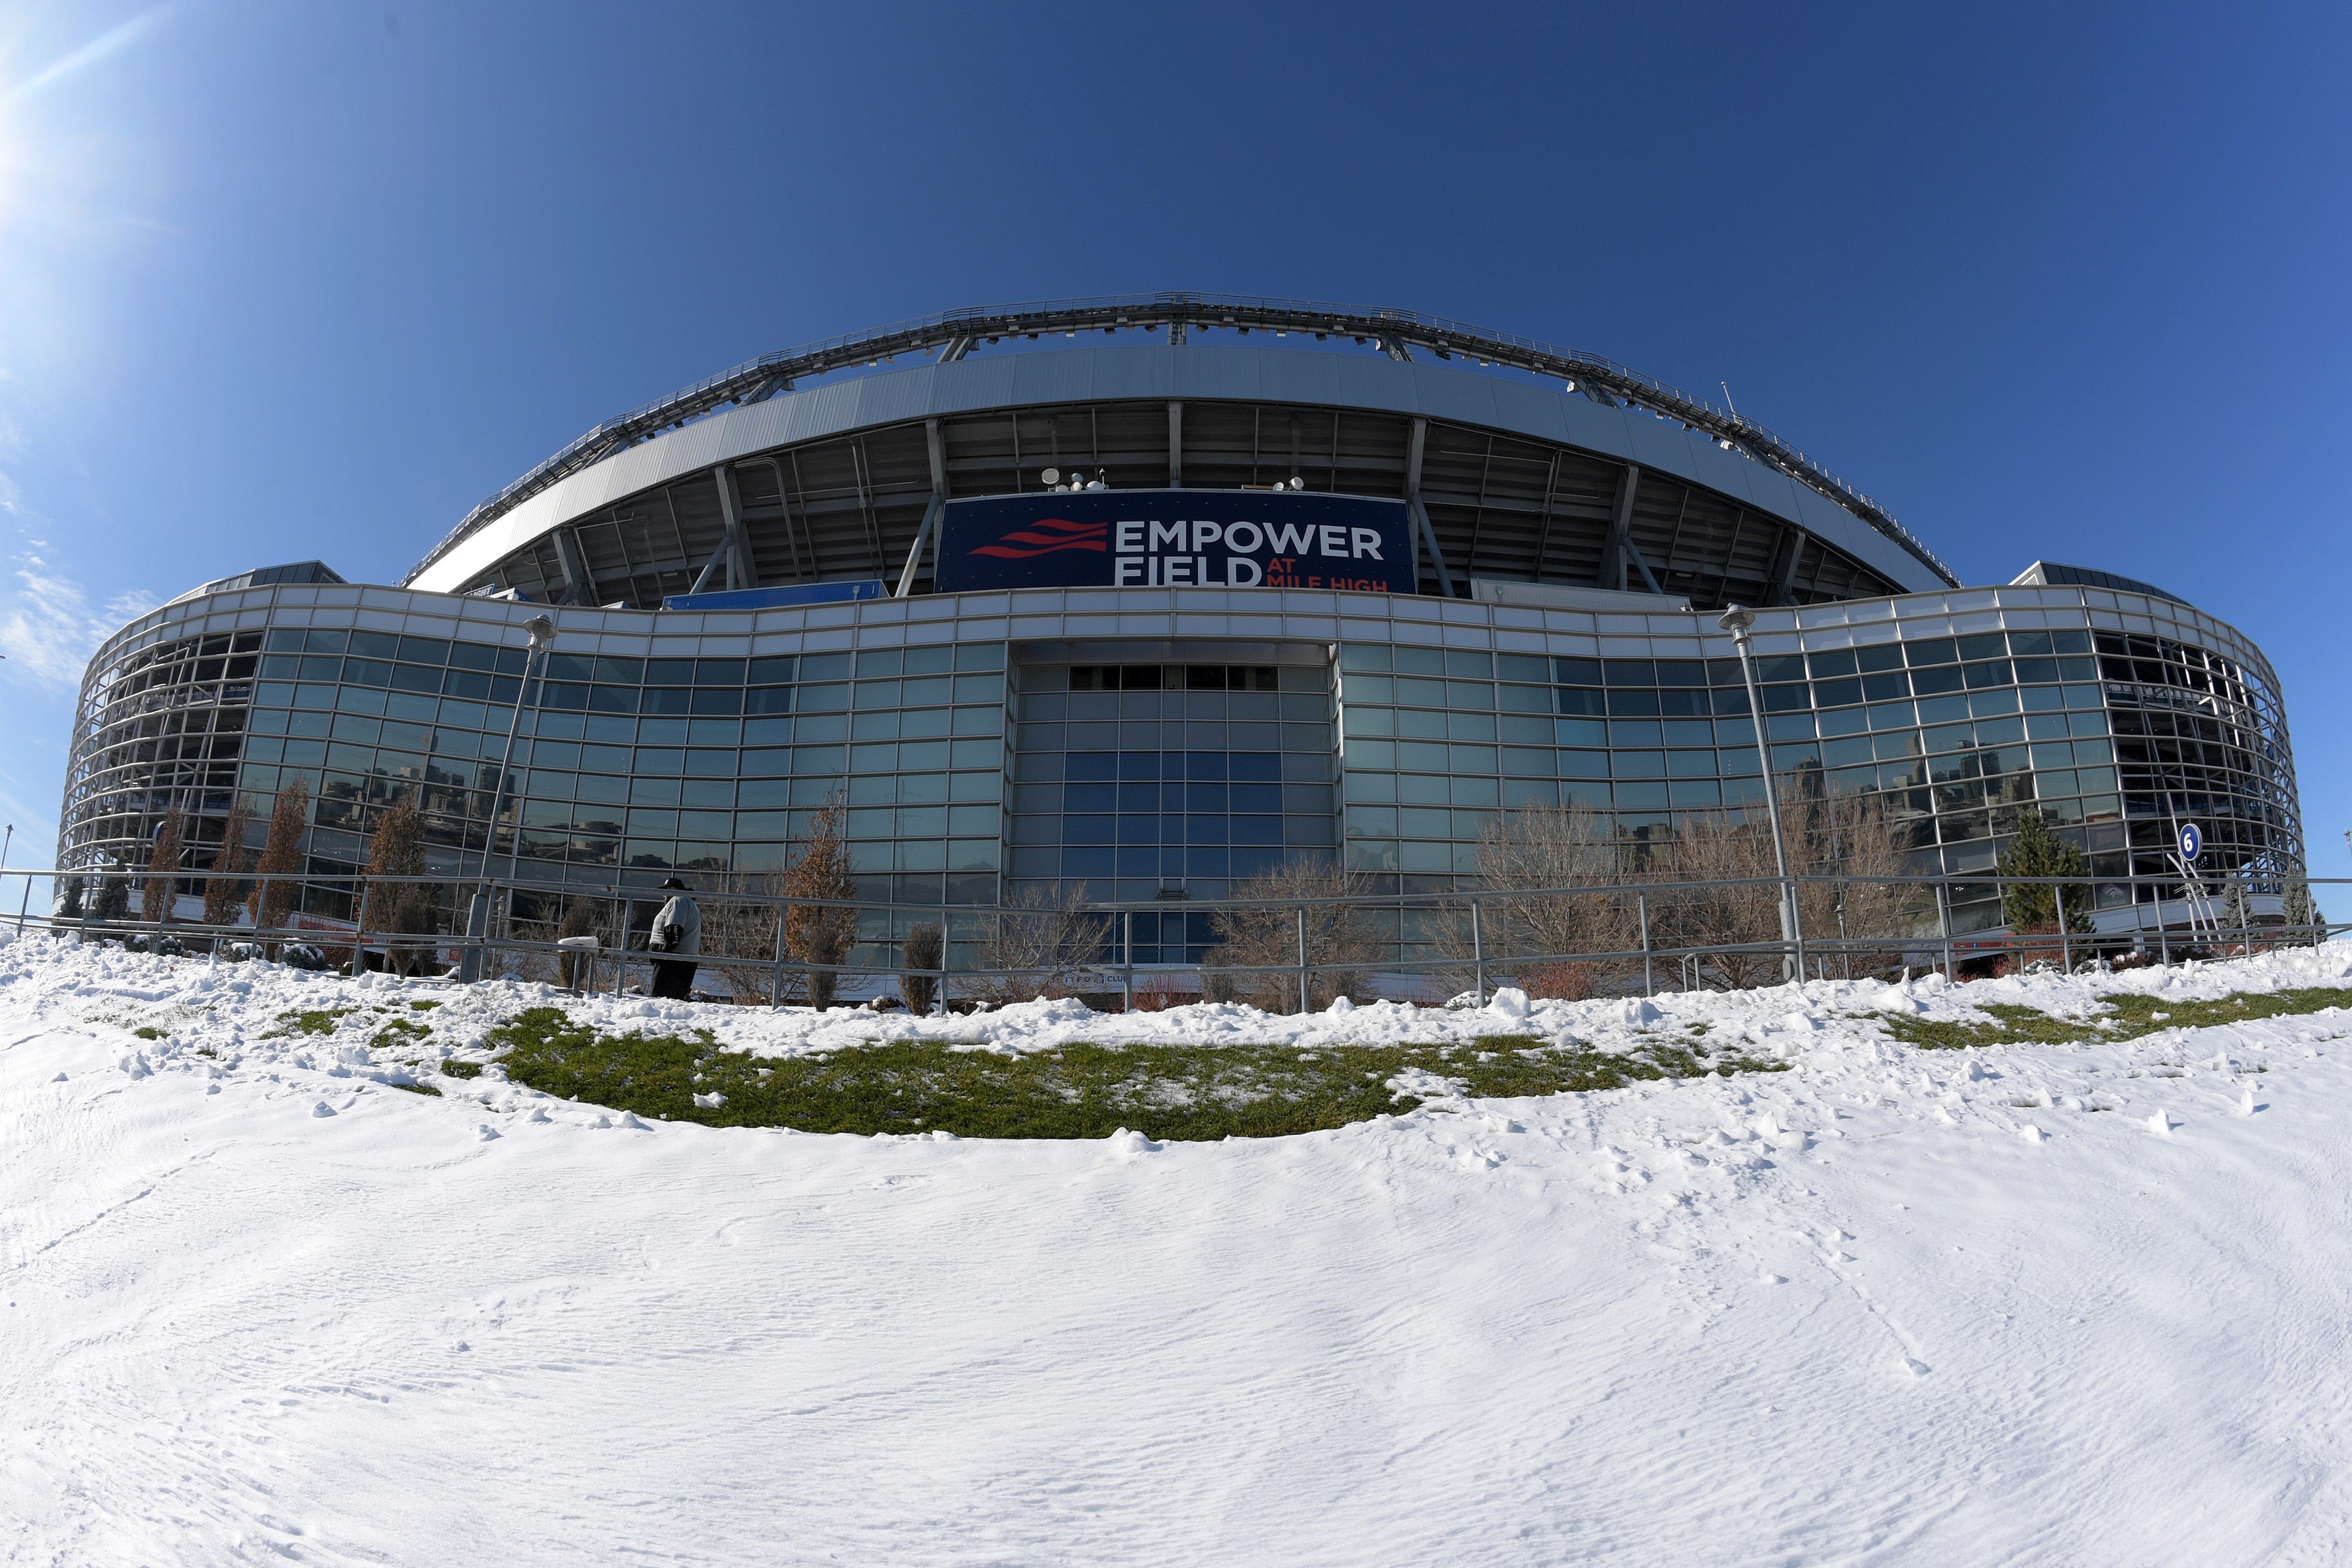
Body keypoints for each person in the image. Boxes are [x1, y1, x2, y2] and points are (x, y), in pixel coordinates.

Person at [646, 877, 700, 1000]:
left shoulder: (678, 900)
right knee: (671, 1003)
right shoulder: (685, 901)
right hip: (677, 960)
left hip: (672, 961)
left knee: (661, 1001)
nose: (663, 895)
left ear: (674, 889)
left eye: (666, 890)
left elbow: (674, 929)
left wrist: (664, 952)